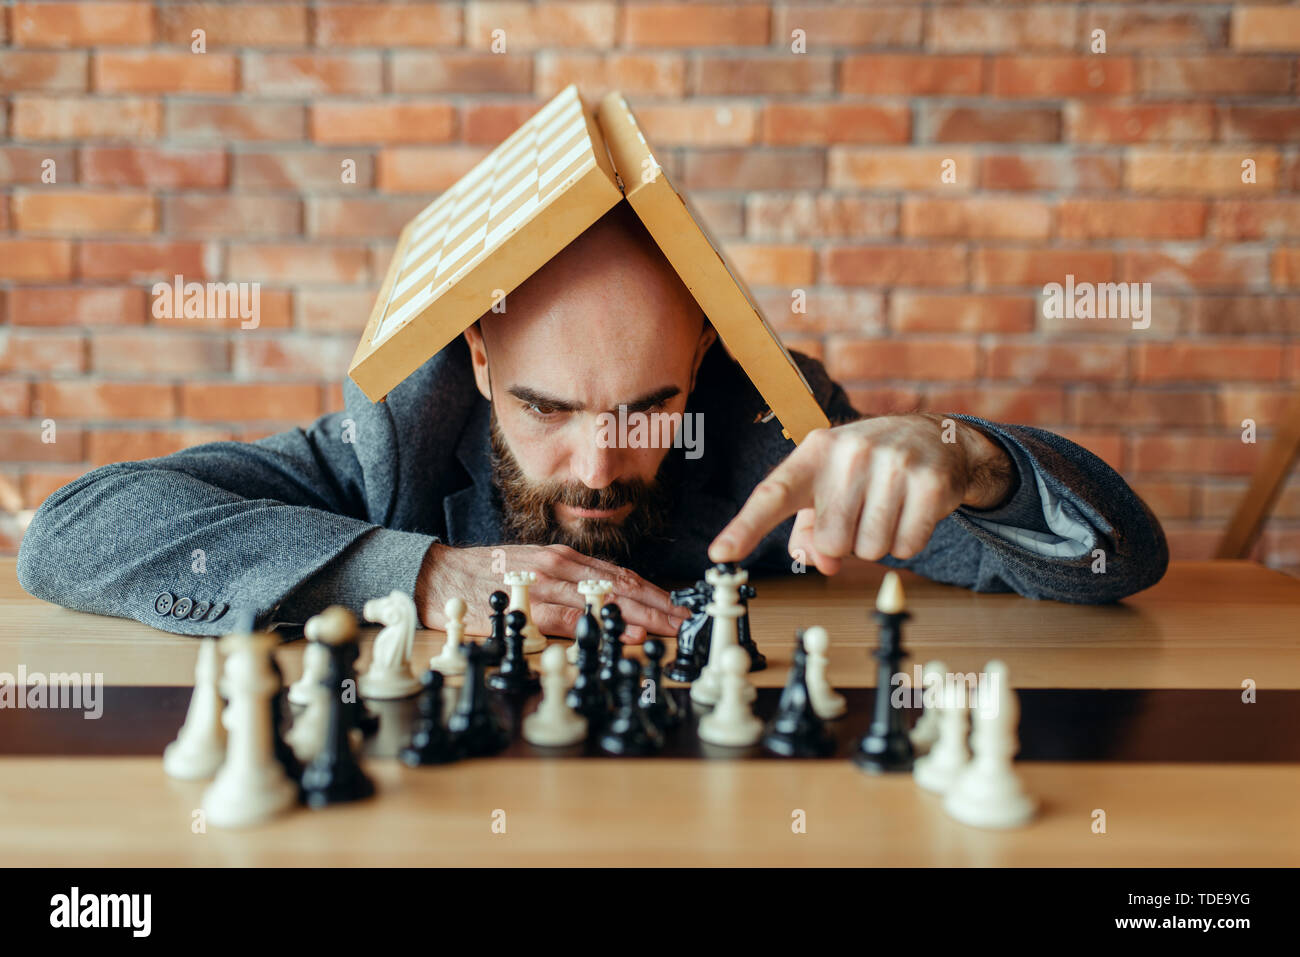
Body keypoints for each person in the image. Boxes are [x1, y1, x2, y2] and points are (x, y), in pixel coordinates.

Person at [17, 204, 1168, 639]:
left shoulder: (779, 441)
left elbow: (1117, 564)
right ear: (475, 359)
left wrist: (966, 457)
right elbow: (71, 528)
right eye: (546, 410)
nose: (600, 464)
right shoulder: (397, 449)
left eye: (649, 409)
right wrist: (413, 576)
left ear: (703, 366)